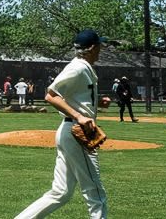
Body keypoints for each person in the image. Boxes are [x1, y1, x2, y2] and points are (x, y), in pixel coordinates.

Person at [13, 29, 108, 219]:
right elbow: (51, 95)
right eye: (98, 46)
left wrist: (98, 102)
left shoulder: (84, 68)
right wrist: (79, 116)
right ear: (91, 48)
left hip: (69, 130)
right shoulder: (78, 67)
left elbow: (75, 97)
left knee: (61, 192)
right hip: (76, 131)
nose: (100, 49)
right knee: (96, 195)